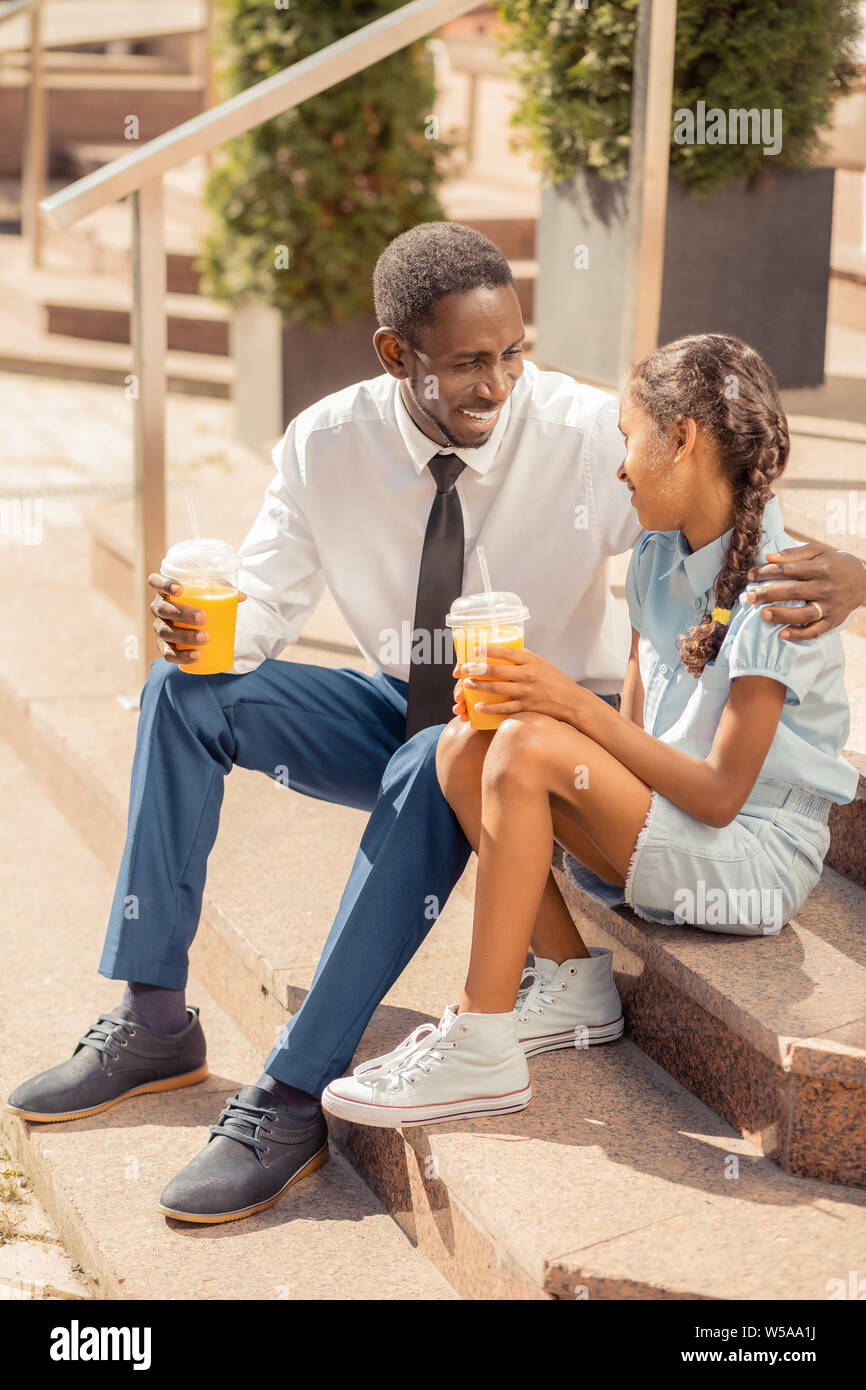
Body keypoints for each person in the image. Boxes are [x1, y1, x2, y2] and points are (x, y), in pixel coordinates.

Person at [6, 228, 864, 1221]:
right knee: (182, 693)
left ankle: (290, 1094)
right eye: (465, 362)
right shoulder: (325, 445)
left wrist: (857, 571)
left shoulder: (592, 436)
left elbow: (732, 495)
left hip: (536, 740)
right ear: (394, 356)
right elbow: (262, 610)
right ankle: (153, 1016)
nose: (497, 383)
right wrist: (193, 615)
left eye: (511, 353)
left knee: (442, 749)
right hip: (399, 706)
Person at [321, 333, 860, 1129]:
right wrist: (540, 712)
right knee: (468, 740)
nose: (618, 467)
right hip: (672, 824)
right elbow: (636, 735)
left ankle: (481, 1040)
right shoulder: (653, 556)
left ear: (683, 440)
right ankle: (572, 980)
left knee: (533, 740)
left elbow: (717, 797)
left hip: (751, 856)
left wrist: (568, 708)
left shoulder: (777, 588)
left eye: (628, 439)